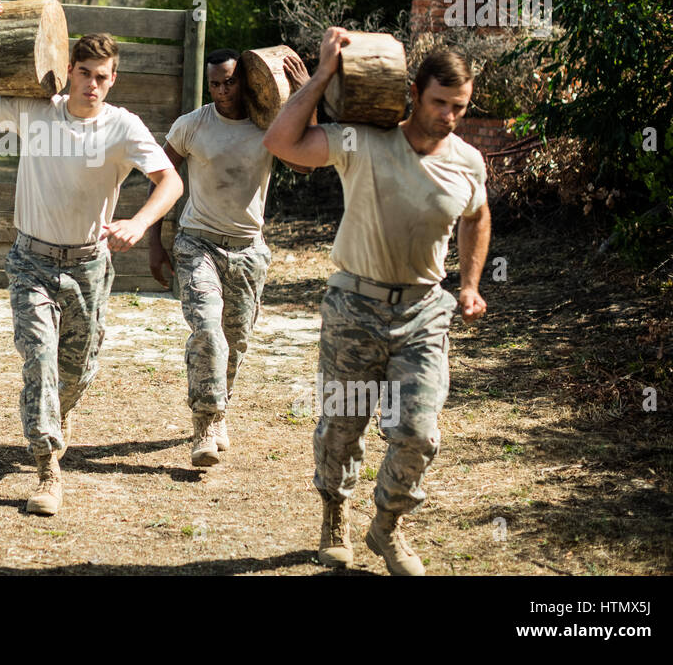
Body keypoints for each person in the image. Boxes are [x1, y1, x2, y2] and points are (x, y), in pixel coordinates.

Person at [264, 30, 491, 576]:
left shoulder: (468, 161)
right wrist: (322, 75)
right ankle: (334, 513)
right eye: (439, 102)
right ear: (414, 93)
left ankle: (387, 525)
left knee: (417, 433)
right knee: (343, 425)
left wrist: (470, 284)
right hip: (354, 306)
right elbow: (282, 142)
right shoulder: (362, 140)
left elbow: (477, 217)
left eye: (459, 107)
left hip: (423, 311)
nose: (448, 116)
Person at [0, 3, 184, 516]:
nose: (92, 85)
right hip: (31, 261)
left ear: (113, 79)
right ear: (69, 70)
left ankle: (60, 411)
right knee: (39, 359)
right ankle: (47, 468)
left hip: (89, 265)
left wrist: (139, 222)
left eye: (102, 77)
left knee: (75, 371)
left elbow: (171, 181)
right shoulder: (36, 110)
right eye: (84, 73)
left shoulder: (124, 127)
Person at [148, 47, 311, 467]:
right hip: (197, 244)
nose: (222, 91)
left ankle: (221, 410)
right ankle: (205, 423)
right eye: (215, 84)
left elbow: (307, 164)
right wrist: (154, 242)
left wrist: (304, 94)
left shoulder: (269, 126)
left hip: (248, 250)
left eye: (230, 82)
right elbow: (162, 179)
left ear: (246, 80)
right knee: (207, 330)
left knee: (235, 342)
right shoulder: (191, 125)